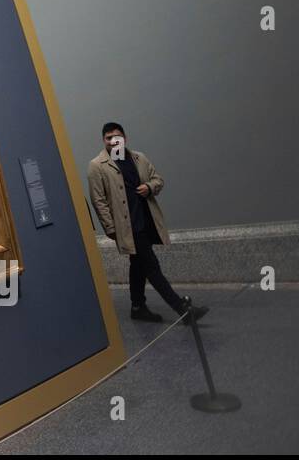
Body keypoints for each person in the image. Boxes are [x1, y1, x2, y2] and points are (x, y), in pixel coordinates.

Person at [88, 123, 209, 323]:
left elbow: (158, 179)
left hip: (146, 221)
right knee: (151, 266)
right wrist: (110, 228)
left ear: (125, 138)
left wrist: (149, 187)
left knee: (138, 264)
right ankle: (183, 310)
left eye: (117, 136)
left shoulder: (139, 158)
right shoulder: (96, 166)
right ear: (104, 141)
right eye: (108, 138)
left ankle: (137, 307)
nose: (113, 140)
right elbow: (98, 200)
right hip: (128, 227)